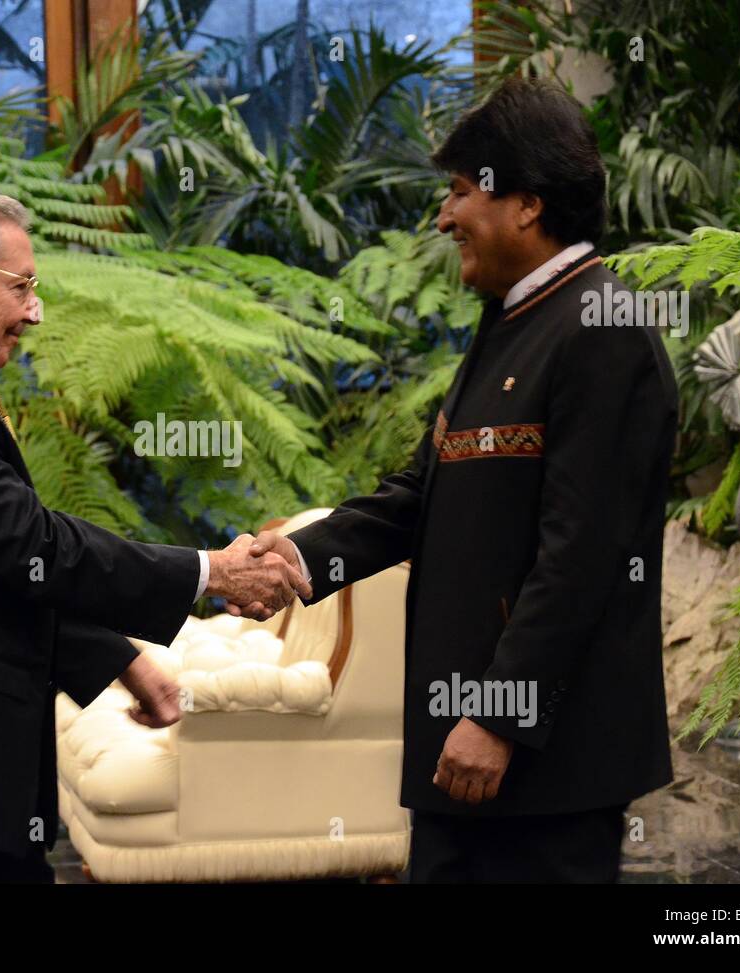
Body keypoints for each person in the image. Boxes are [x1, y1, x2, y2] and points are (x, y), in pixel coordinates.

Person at [241, 77, 677, 883]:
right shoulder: (512, 322)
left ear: (528, 204)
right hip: (465, 757)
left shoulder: (601, 331)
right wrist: (297, 558)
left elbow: (580, 557)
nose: (444, 218)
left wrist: (501, 716)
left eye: (460, 191)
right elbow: (421, 492)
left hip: (540, 773)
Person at [0, 187, 309, 883]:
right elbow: (31, 545)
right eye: (22, 287)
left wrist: (119, 658)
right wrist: (209, 572)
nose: (34, 312)